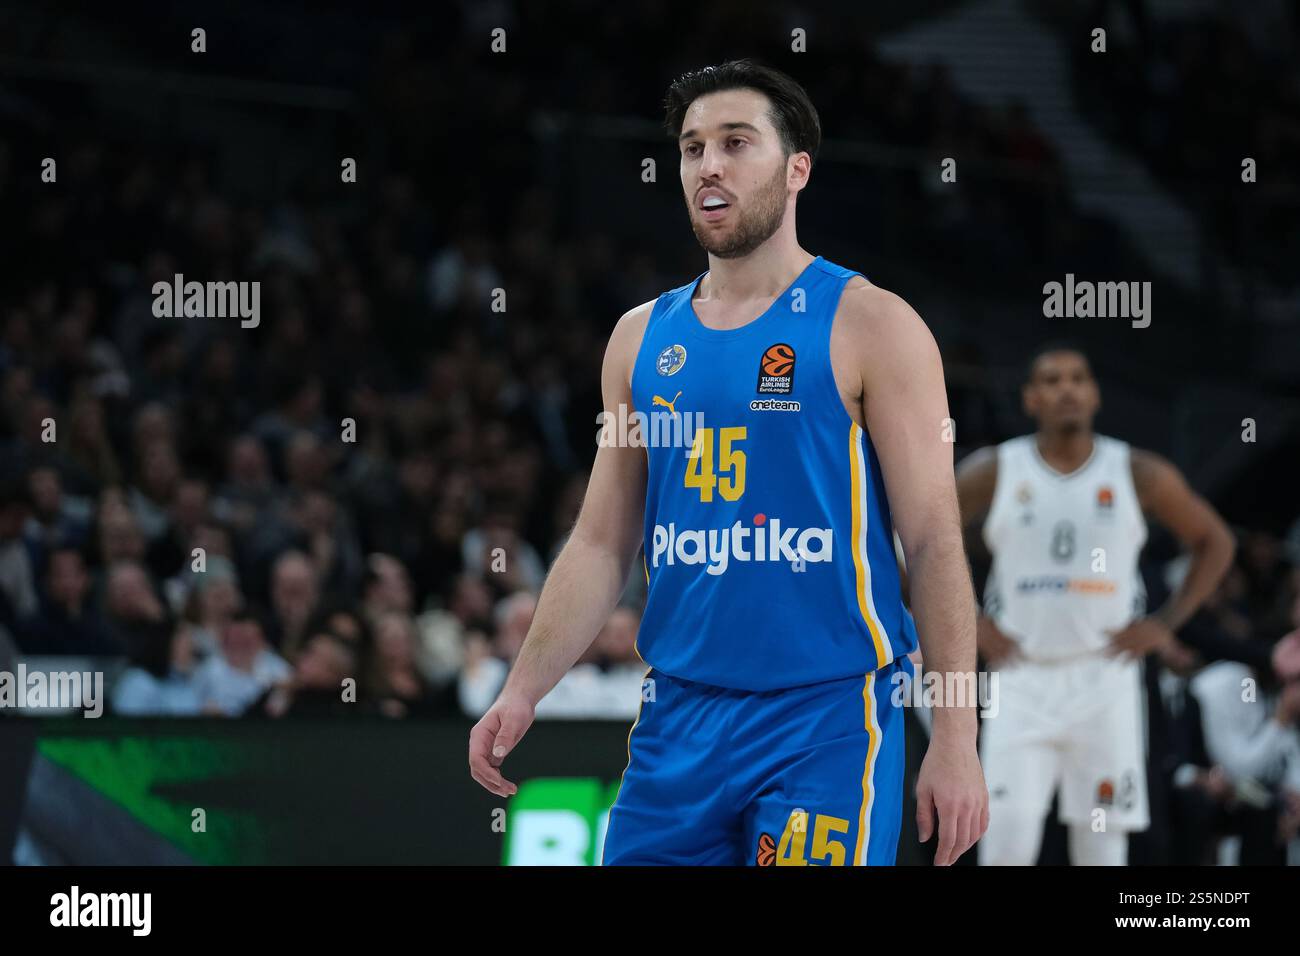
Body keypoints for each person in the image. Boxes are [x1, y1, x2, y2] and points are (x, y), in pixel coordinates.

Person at [470, 59, 987, 866]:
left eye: (736, 143)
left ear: (797, 169)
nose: (708, 165)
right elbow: (602, 542)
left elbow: (932, 542)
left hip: (827, 718)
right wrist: (523, 687)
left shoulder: (875, 325)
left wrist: (955, 740)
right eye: (692, 148)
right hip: (678, 720)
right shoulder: (639, 338)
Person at [956, 345, 1235, 865]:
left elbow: (1215, 542)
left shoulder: (1136, 471)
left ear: (1095, 395)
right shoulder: (996, 470)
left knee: (1102, 847)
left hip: (1105, 680)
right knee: (1004, 844)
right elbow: (918, 539)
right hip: (1020, 679)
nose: (1067, 388)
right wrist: (969, 621)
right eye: (1052, 380)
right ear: (1031, 398)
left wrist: (1165, 623)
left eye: (1078, 378)